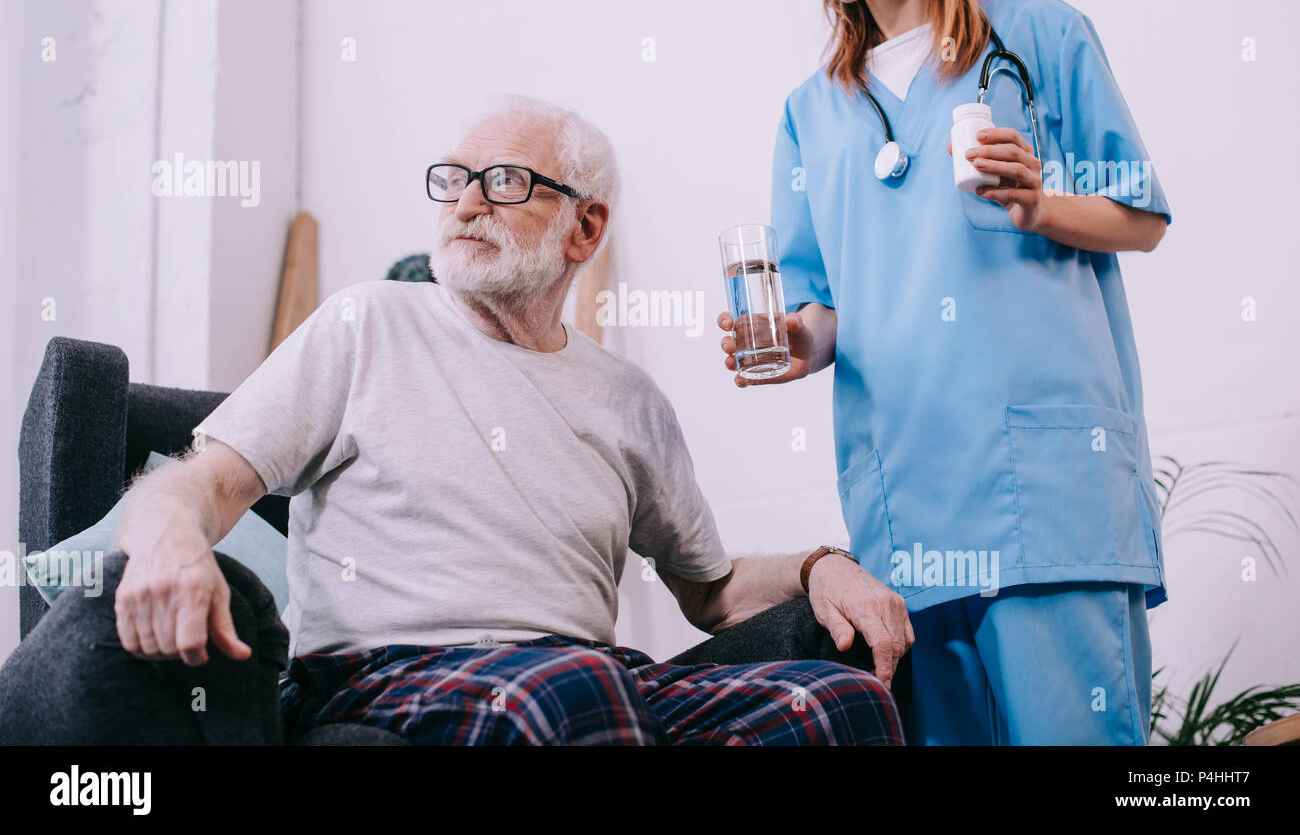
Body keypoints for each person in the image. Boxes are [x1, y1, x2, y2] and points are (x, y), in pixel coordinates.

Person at [3, 94, 912, 746]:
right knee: (575, 689)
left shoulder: (631, 399)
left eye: (505, 181)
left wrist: (817, 564)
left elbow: (709, 591)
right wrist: (166, 537)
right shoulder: (367, 323)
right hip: (377, 673)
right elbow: (203, 482)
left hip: (583, 677)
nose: (466, 201)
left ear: (584, 229)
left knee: (832, 704)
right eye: (455, 179)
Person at [718, 0, 1171, 744]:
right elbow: (824, 309)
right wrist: (780, 345)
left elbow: (1141, 217)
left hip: (1044, 491)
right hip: (906, 514)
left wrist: (1041, 201)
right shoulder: (811, 111)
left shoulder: (1039, 36)